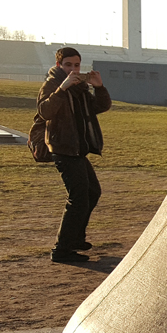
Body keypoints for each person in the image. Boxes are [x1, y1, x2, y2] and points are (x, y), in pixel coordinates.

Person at [37, 47, 112, 263]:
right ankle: (61, 250)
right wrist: (62, 88)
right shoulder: (52, 84)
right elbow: (45, 111)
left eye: (76, 65)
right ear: (59, 65)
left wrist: (99, 87)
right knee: (78, 198)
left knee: (92, 192)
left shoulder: (80, 86)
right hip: (62, 148)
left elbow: (99, 106)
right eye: (68, 65)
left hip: (78, 149)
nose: (73, 69)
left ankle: (76, 238)